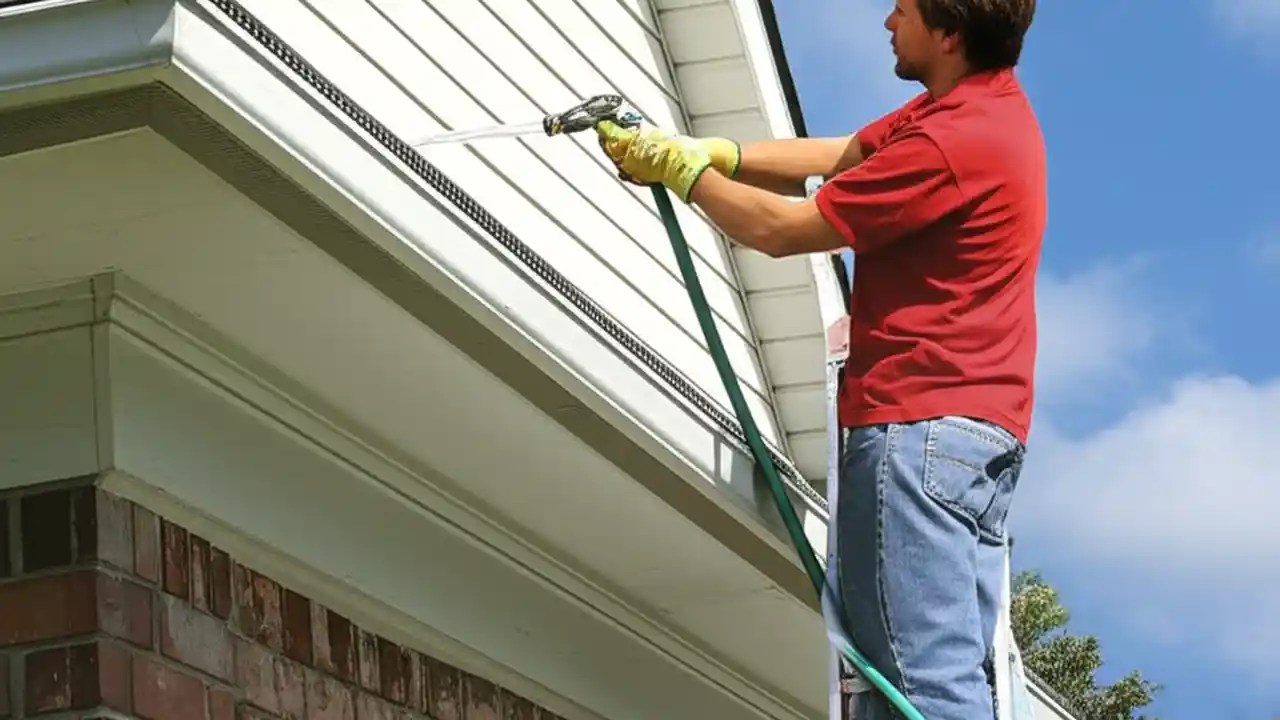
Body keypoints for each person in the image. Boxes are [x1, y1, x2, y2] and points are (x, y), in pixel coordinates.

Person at [593, 0, 1044, 718]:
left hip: (917, 432)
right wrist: (719, 153)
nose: (888, 20)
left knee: (919, 679)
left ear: (949, 33)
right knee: (915, 674)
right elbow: (840, 156)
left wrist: (681, 174)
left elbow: (783, 229)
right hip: (973, 441)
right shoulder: (978, 110)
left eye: (904, 9)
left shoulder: (952, 142)